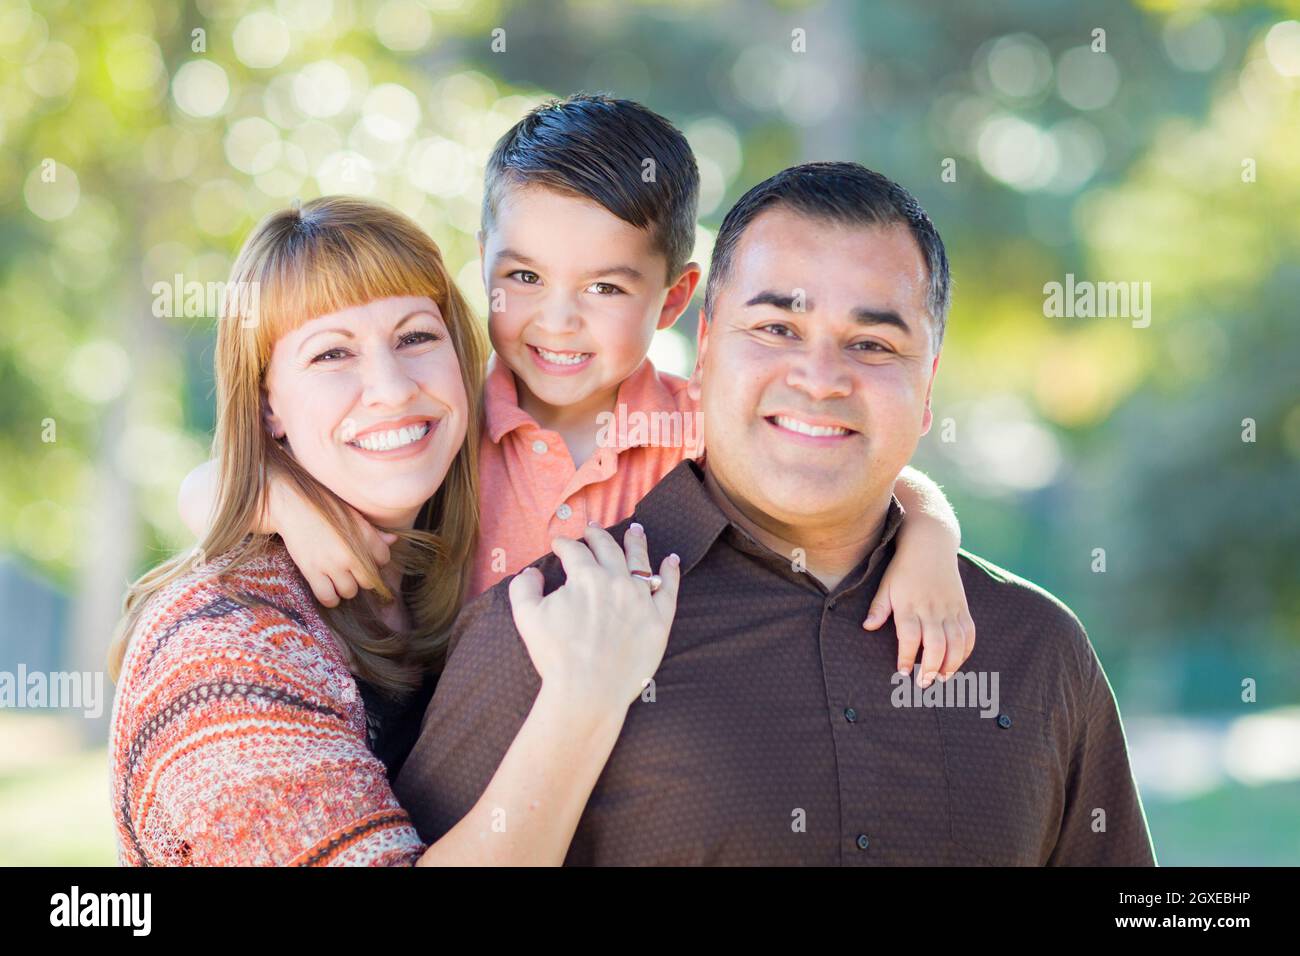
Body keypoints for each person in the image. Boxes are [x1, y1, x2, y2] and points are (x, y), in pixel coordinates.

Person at [393, 163, 1159, 866]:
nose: (821, 378)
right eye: (777, 329)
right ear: (706, 349)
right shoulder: (546, 625)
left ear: (928, 387)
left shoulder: (1038, 651)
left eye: (872, 342)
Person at [179, 95, 978, 689]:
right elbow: (207, 487)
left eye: (603, 288)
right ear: (483, 266)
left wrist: (932, 539)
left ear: (672, 300)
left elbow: (831, 449)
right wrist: (283, 504)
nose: (556, 323)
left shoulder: (698, 427)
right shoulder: (440, 432)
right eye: (523, 278)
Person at [108, 197, 680, 866]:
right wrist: (586, 696)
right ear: (268, 405)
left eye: (415, 338)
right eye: (331, 354)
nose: (391, 388)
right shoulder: (226, 652)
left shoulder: (448, 560)